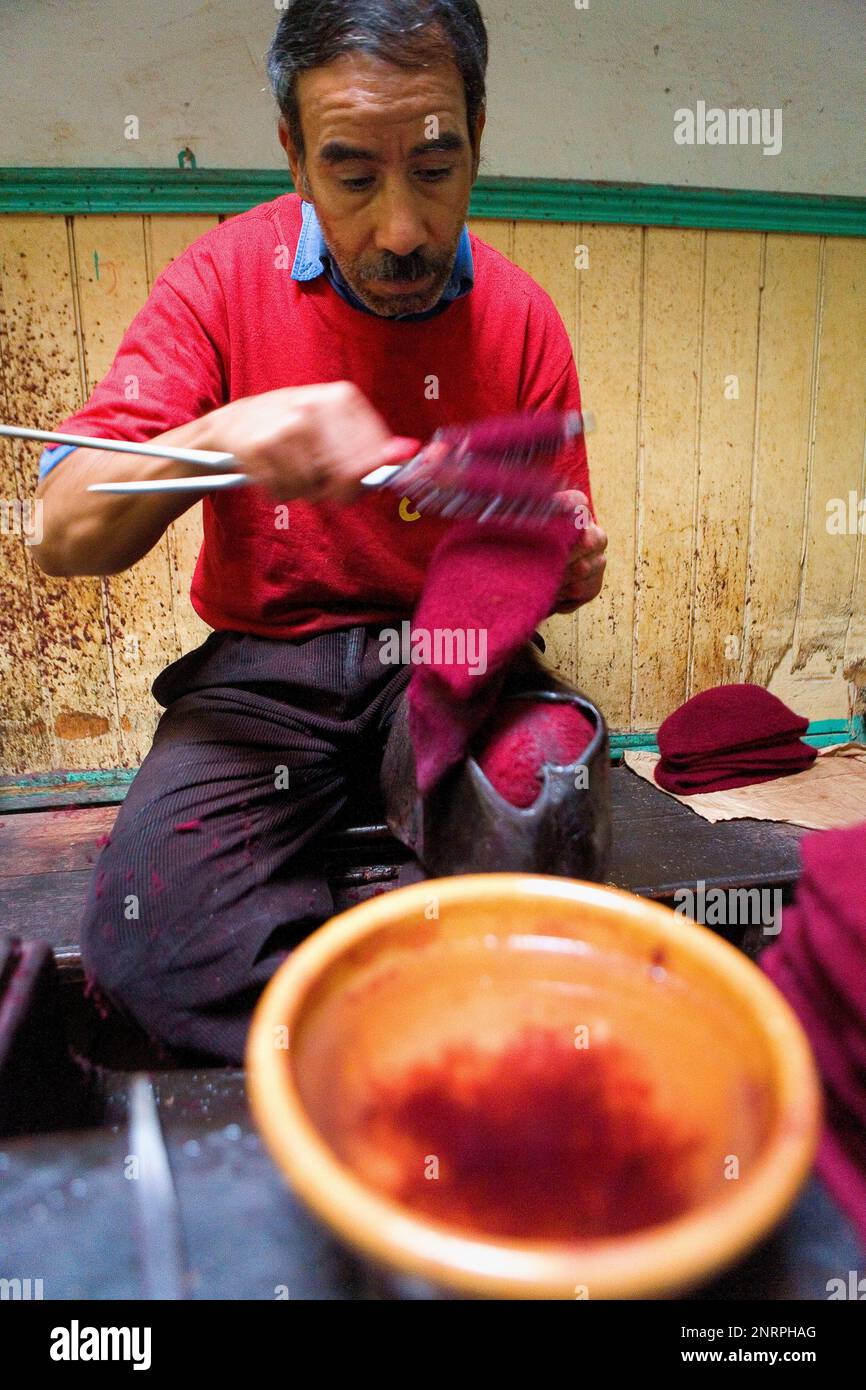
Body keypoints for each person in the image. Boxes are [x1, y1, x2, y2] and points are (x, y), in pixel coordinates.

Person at [31, 0, 607, 1064]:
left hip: (451, 659)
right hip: (265, 675)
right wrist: (232, 429)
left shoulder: (523, 317)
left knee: (554, 784)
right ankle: (392, 1061)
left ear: (477, 134)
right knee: (151, 947)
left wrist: (564, 562)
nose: (400, 228)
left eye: (434, 169)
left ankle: (465, 1013)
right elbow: (60, 529)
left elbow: (548, 547)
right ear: (293, 155)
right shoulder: (217, 280)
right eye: (351, 175)